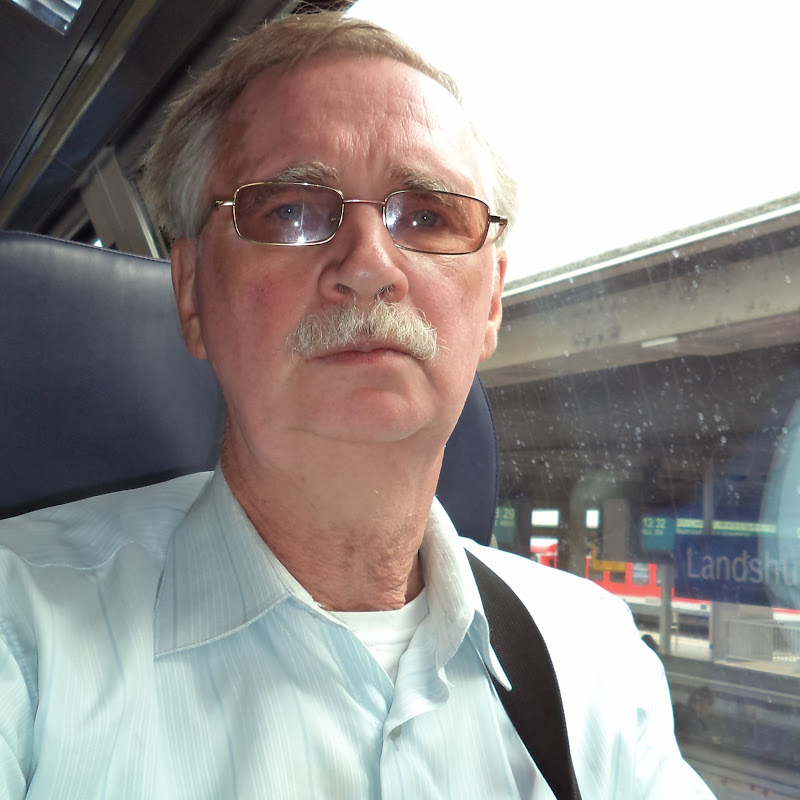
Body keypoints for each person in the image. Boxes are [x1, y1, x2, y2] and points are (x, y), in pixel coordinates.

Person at [0, 11, 715, 799]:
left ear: (491, 304)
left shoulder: (592, 659)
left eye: (429, 217)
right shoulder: (19, 636)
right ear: (192, 292)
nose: (370, 265)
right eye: (290, 211)